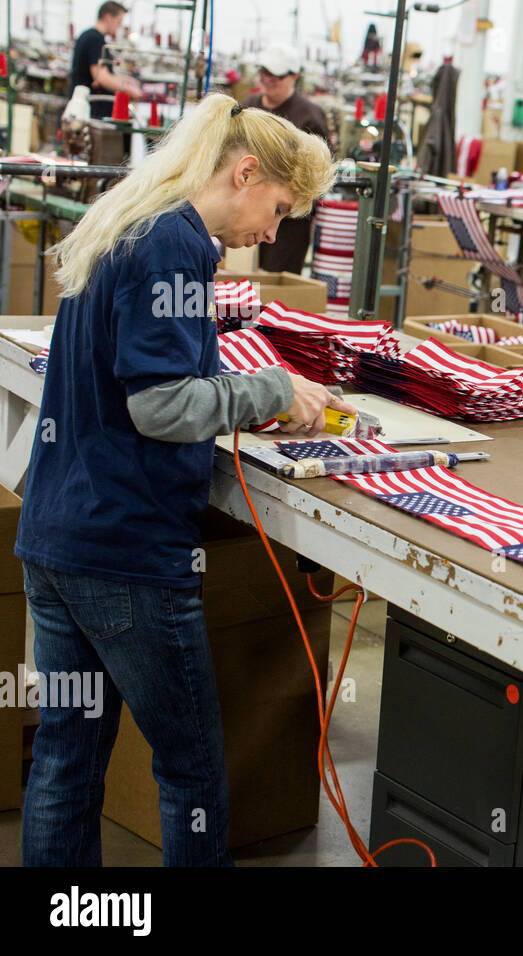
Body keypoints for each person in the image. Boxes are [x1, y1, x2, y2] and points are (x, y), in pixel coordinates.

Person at [16, 93, 351, 867]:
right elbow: (162, 405)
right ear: (243, 173)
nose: (273, 232)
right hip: (124, 551)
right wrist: (271, 390)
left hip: (57, 537)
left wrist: (236, 387)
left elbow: (146, 372)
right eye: (277, 209)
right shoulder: (174, 243)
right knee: (192, 766)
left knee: (67, 760)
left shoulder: (136, 218)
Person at [241, 44, 331, 274]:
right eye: (264, 72)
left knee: (277, 282)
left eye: (276, 75)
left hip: (288, 223)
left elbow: (317, 173)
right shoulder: (248, 107)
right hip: (244, 213)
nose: (268, 79)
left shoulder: (309, 116)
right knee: (241, 281)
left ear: (295, 76)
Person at [70, 2, 142, 120]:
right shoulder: (95, 39)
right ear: (108, 17)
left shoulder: (90, 36)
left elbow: (104, 73)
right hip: (90, 112)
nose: (119, 26)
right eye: (119, 21)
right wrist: (130, 90)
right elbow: (101, 76)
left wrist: (126, 80)